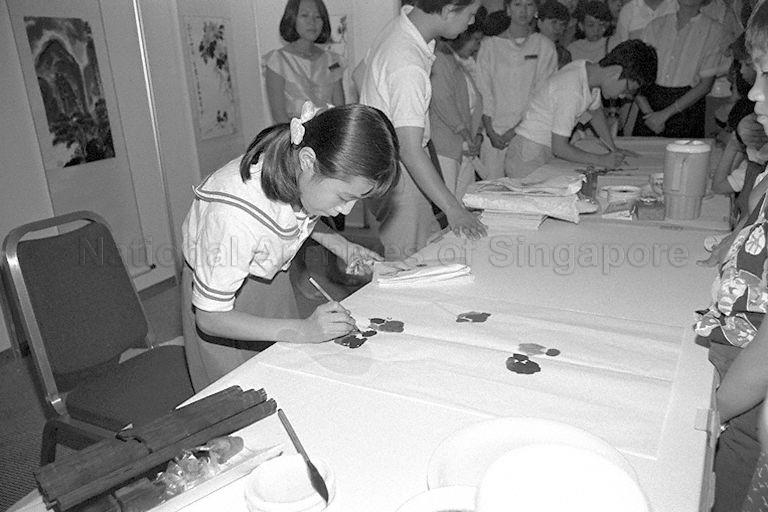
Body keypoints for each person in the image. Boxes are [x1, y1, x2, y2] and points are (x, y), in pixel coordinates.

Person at [181, 103, 400, 391]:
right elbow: (210, 317)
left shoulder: (301, 169)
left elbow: (297, 215)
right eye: (344, 197)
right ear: (308, 161)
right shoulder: (234, 216)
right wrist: (304, 330)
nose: (346, 211)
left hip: (269, 278)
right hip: (225, 308)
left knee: (284, 376)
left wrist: (342, 245)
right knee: (242, 397)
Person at [694, 4, 768, 509]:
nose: (755, 92)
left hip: (745, 393)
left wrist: (711, 410)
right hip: (738, 369)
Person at [358, 0, 487, 261]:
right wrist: (453, 208)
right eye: (471, 14)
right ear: (449, 9)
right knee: (408, 264)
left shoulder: (401, 27)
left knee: (428, 252)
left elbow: (357, 74)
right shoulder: (408, 62)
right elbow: (408, 147)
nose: (471, 22)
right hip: (400, 170)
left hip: (389, 163)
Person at [263, 0, 347, 299]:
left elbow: (341, 107)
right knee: (297, 213)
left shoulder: (334, 59)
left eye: (318, 16)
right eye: (305, 15)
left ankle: (334, 268)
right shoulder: (276, 60)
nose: (312, 22)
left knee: (334, 208)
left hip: (329, 144)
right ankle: (300, 275)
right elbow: (277, 115)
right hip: (294, 146)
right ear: (291, 19)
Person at [504, 39, 657, 177]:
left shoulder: (589, 72)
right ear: (615, 72)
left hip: (539, 150)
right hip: (527, 155)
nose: (624, 96)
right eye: (627, 90)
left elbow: (595, 113)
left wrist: (613, 149)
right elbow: (560, 148)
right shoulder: (571, 89)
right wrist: (602, 160)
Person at [476, 0, 558, 179]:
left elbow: (542, 95)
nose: (524, 11)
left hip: (529, 134)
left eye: (529, 5)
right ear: (508, 9)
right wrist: (490, 130)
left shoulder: (544, 46)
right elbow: (483, 89)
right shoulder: (489, 46)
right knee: (492, 193)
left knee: (526, 191)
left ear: (536, 10)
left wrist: (514, 131)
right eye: (518, 4)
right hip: (493, 133)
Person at [633, 0, 730, 138]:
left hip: (687, 107)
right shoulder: (655, 25)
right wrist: (649, 114)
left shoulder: (714, 30)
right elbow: (636, 74)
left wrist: (664, 115)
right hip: (649, 106)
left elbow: (705, 85)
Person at [430, 23, 485, 199]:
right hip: (445, 146)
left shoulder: (454, 60)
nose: (477, 47)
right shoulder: (440, 58)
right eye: (475, 40)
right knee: (449, 205)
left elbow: (473, 105)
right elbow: (442, 100)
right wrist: (465, 133)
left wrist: (477, 136)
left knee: (464, 203)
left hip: (462, 145)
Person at [537, 1, 574, 68]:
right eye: (554, 22)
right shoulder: (526, 48)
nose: (558, 28)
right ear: (540, 23)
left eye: (562, 24)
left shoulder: (564, 55)